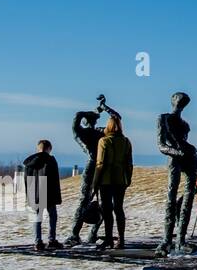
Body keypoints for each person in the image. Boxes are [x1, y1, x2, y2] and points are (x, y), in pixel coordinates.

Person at [64, 97, 114, 247]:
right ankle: (80, 233)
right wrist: (101, 109)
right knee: (99, 202)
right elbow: (116, 119)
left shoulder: (85, 133)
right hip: (100, 167)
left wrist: (95, 111)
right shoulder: (97, 133)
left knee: (89, 201)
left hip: (94, 166)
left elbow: (77, 116)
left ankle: (80, 234)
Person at [156, 91, 197, 256]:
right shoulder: (163, 118)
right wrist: (176, 152)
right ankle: (166, 240)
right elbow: (161, 145)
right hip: (175, 158)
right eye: (177, 98)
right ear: (172, 100)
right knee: (171, 196)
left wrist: (187, 153)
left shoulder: (185, 125)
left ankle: (181, 240)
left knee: (188, 198)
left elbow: (184, 141)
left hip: (190, 157)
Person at [92, 113, 133, 250]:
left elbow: (100, 164)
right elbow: (129, 163)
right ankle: (121, 239)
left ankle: (109, 238)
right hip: (121, 179)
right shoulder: (126, 141)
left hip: (106, 180)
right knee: (119, 209)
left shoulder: (104, 141)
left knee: (107, 210)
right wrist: (128, 178)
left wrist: (95, 182)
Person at [21, 140, 62, 251]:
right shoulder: (51, 160)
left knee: (36, 218)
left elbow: (26, 180)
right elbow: (54, 180)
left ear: (38, 148)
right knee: (52, 217)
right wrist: (56, 197)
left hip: (35, 193)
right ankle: (51, 239)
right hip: (49, 193)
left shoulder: (29, 162)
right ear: (49, 148)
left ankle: (37, 242)